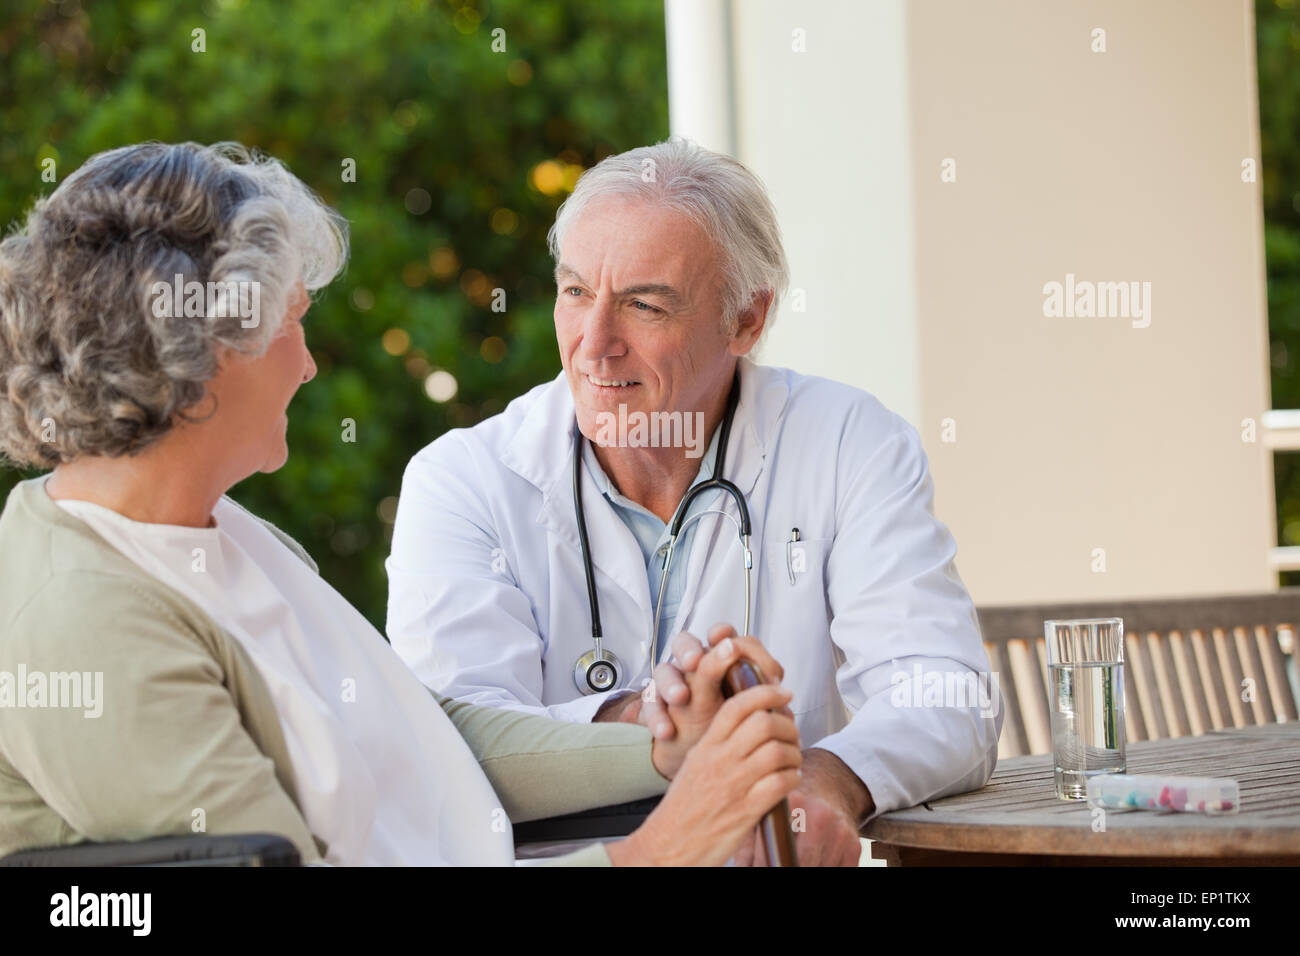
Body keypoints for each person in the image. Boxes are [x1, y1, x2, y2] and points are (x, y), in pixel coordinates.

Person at [0, 141, 803, 866]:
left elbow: (424, 739)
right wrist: (661, 852)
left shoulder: (223, 537)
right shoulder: (83, 618)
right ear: (208, 347)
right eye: (293, 326)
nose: (309, 367)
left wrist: (663, 750)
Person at [386, 138, 1004, 866]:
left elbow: (944, 688)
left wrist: (827, 779)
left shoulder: (847, 442)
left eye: (644, 305)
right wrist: (661, 721)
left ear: (747, 320)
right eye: (576, 292)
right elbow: (452, 744)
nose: (593, 344)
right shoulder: (461, 480)